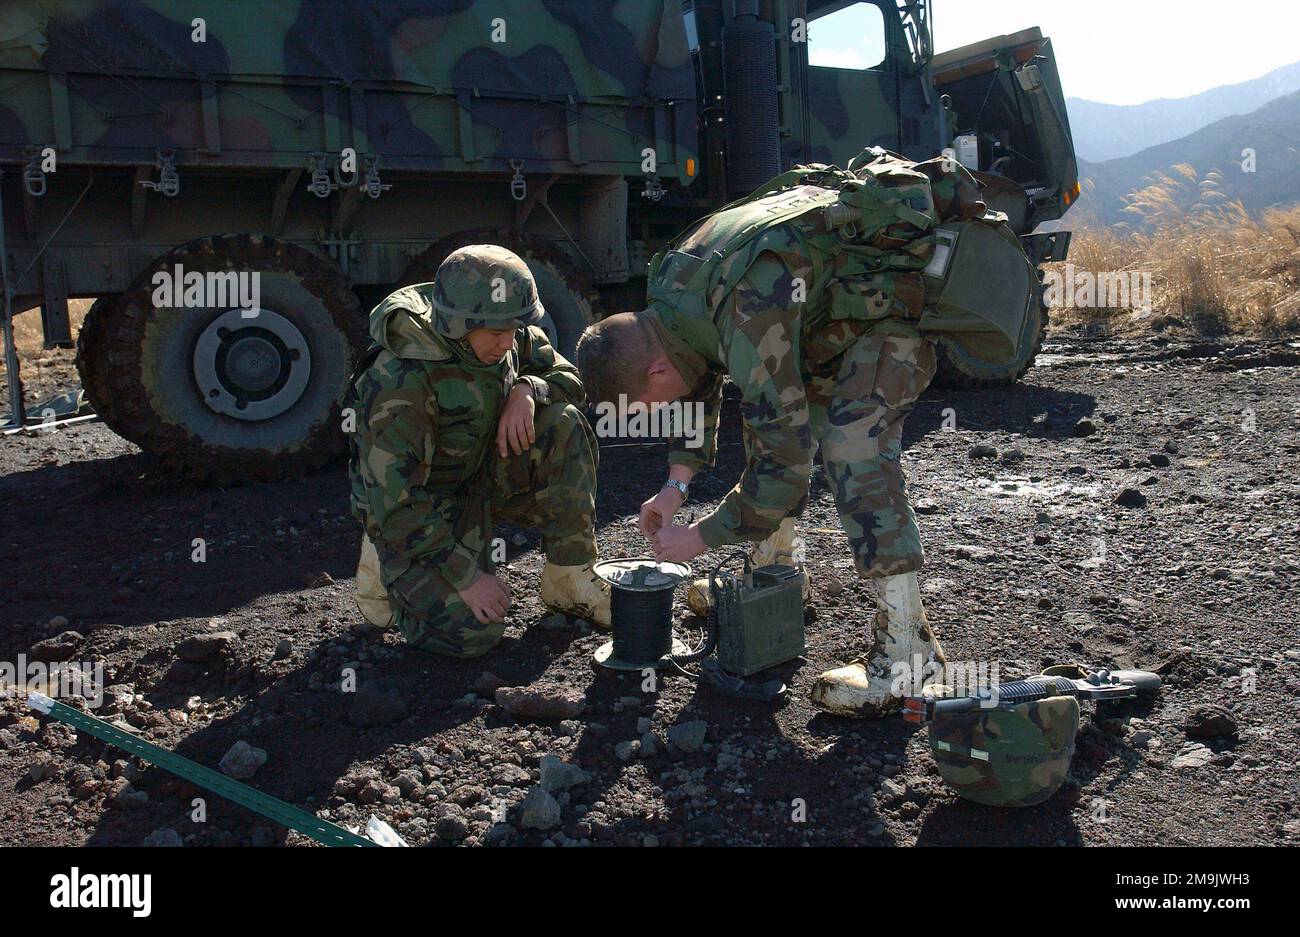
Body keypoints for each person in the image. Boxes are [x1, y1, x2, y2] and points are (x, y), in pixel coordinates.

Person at [573, 153, 991, 717]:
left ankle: (909, 660)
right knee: (766, 418)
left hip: (890, 315)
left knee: (851, 447)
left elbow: (787, 460)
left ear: (652, 372)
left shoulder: (746, 306)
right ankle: (777, 577)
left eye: (651, 403)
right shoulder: (670, 290)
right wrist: (675, 486)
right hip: (822, 313)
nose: (659, 410)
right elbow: (699, 377)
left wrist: (699, 539)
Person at [349, 244, 609, 659]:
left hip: (476, 480)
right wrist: (467, 576)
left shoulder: (502, 328)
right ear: (456, 324)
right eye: (496, 333)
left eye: (514, 330)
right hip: (413, 512)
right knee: (474, 635)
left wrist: (528, 390)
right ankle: (384, 564)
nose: (509, 343)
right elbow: (396, 505)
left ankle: (569, 573)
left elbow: (570, 379)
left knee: (563, 423)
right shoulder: (402, 378)